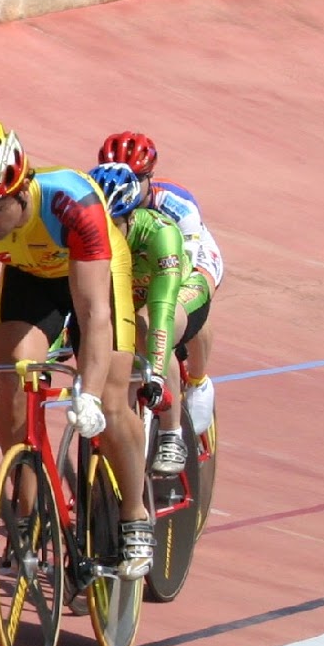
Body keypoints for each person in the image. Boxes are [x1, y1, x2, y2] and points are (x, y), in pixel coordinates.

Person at [0, 121, 152, 578]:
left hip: (93, 275)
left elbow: (94, 314)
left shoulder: (71, 204)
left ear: (22, 191)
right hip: (31, 280)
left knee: (112, 400)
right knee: (13, 374)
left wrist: (90, 394)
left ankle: (135, 514)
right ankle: (27, 508)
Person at [88, 162, 213, 475]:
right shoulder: (84, 234)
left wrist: (156, 376)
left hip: (180, 286)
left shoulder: (160, 233)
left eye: (114, 226)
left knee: (148, 330)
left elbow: (162, 311)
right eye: (100, 226)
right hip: (134, 286)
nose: (106, 235)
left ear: (132, 216)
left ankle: (172, 434)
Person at [98, 131, 221, 433]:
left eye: (136, 179)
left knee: (184, 301)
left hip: (191, 256)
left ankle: (198, 381)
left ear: (149, 177)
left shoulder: (176, 203)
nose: (126, 187)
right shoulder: (104, 198)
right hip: (142, 258)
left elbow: (182, 269)